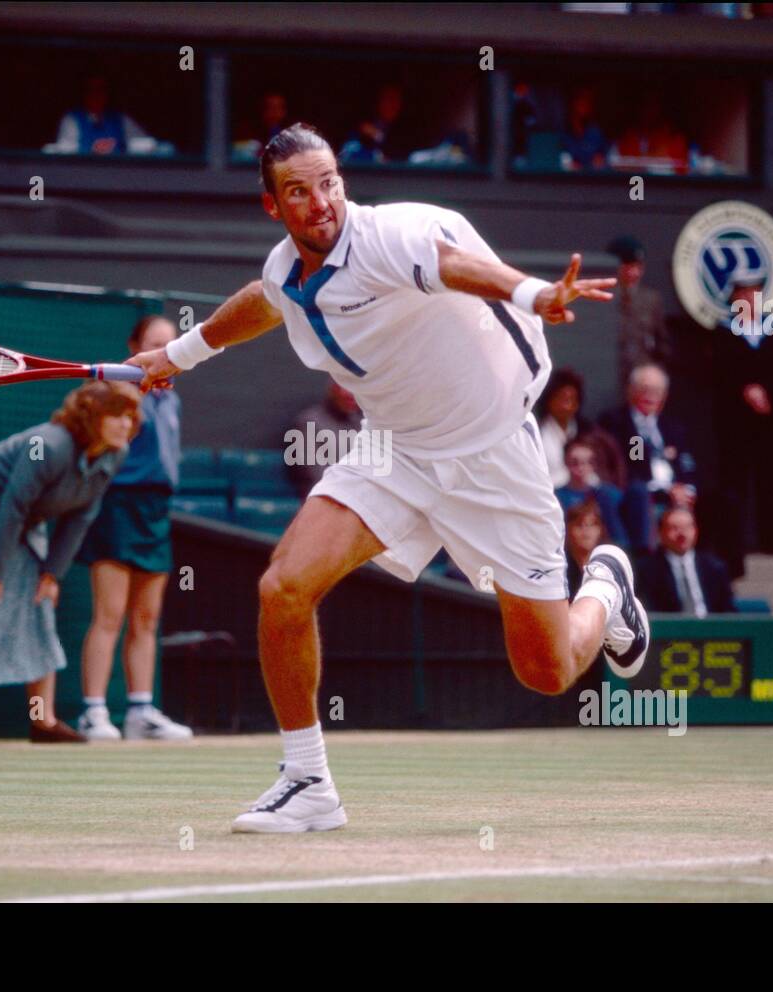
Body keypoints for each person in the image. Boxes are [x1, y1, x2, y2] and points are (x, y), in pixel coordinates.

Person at [126, 122, 648, 833]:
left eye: (330, 183)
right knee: (282, 588)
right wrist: (177, 357)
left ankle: (607, 590)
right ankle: (308, 782)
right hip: (394, 451)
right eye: (299, 192)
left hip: (493, 455)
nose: (321, 203)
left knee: (548, 671)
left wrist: (530, 294)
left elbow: (453, 264)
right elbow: (264, 300)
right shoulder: (287, 269)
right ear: (272, 206)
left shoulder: (388, 238)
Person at [0, 381, 140, 744]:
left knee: (39, 601)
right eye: (116, 415)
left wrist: (52, 574)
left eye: (130, 416)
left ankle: (42, 721)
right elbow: (12, 505)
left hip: (24, 517)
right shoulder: (47, 445)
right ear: (92, 417)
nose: (126, 424)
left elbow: (80, 517)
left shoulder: (116, 452)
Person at [75, 316, 193, 742]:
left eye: (171, 345)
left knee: (147, 617)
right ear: (136, 347)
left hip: (156, 509)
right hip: (119, 504)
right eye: (155, 344)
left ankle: (140, 712)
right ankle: (93, 712)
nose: (165, 352)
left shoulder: (170, 397)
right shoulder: (123, 395)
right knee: (110, 615)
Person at [711, 276, 773, 578]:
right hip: (735, 422)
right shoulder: (722, 333)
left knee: (769, 479)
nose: (749, 299)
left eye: (755, 293)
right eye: (744, 293)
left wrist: (766, 391)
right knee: (735, 483)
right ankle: (735, 543)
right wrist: (745, 389)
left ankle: (771, 540)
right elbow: (717, 370)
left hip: (770, 420)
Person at [598, 364, 697, 552]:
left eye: (657, 390)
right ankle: (643, 557)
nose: (650, 395)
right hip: (642, 493)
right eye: (644, 389)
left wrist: (687, 489)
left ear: (665, 396)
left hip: (677, 495)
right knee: (639, 492)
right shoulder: (620, 423)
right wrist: (668, 491)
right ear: (631, 391)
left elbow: (686, 462)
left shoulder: (672, 427)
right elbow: (634, 466)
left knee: (724, 501)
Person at [535, 367, 625, 490]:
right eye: (560, 398)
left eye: (571, 399)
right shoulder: (537, 433)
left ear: (578, 403)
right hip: (553, 492)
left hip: (590, 493)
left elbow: (614, 465)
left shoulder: (592, 433)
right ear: (549, 400)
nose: (566, 405)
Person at [635, 506, 736, 617]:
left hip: (711, 630)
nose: (682, 534)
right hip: (670, 631)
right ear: (661, 533)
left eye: (687, 527)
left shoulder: (714, 567)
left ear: (696, 531)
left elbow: (728, 611)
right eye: (674, 528)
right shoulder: (647, 570)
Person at [606, 235, 670, 391]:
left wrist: (654, 372)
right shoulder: (601, 297)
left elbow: (662, 344)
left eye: (638, 267)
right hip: (608, 375)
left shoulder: (651, 300)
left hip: (641, 381)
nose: (634, 273)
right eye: (627, 266)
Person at [46, 73, 153, 156]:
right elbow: (65, 152)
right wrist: (92, 151)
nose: (96, 95)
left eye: (100, 90)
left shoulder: (120, 119)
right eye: (92, 90)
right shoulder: (72, 120)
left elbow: (144, 144)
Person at [288, 381, 363, 496]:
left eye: (355, 387)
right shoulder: (310, 422)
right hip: (328, 500)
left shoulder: (363, 423)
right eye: (344, 386)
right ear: (332, 388)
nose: (349, 394)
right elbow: (316, 478)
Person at [556, 439, 630, 548]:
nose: (580, 467)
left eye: (586, 462)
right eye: (574, 462)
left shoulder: (606, 495)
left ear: (593, 465)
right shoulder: (557, 496)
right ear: (566, 462)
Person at [565, 500, 608, 598]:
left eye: (592, 524)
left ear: (600, 530)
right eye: (579, 525)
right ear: (567, 529)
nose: (586, 530)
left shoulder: (607, 565)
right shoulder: (559, 568)